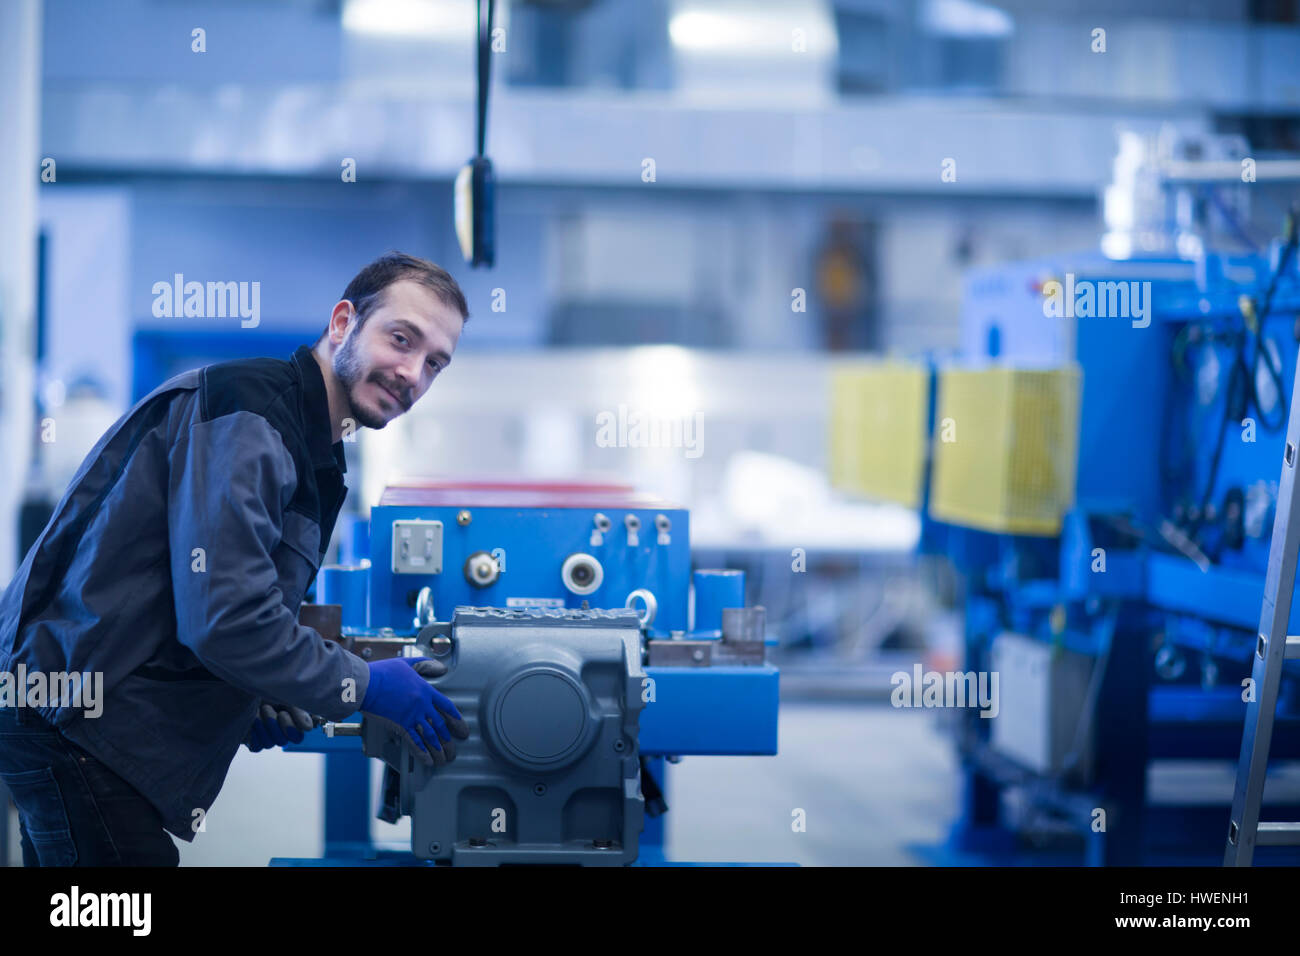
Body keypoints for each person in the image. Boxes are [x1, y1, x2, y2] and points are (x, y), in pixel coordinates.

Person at [0, 251, 470, 866]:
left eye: (435, 363)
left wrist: (250, 697)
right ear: (342, 322)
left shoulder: (315, 450)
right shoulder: (253, 413)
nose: (412, 373)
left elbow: (209, 603)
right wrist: (365, 685)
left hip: (82, 718)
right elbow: (226, 619)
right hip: (76, 721)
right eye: (401, 339)